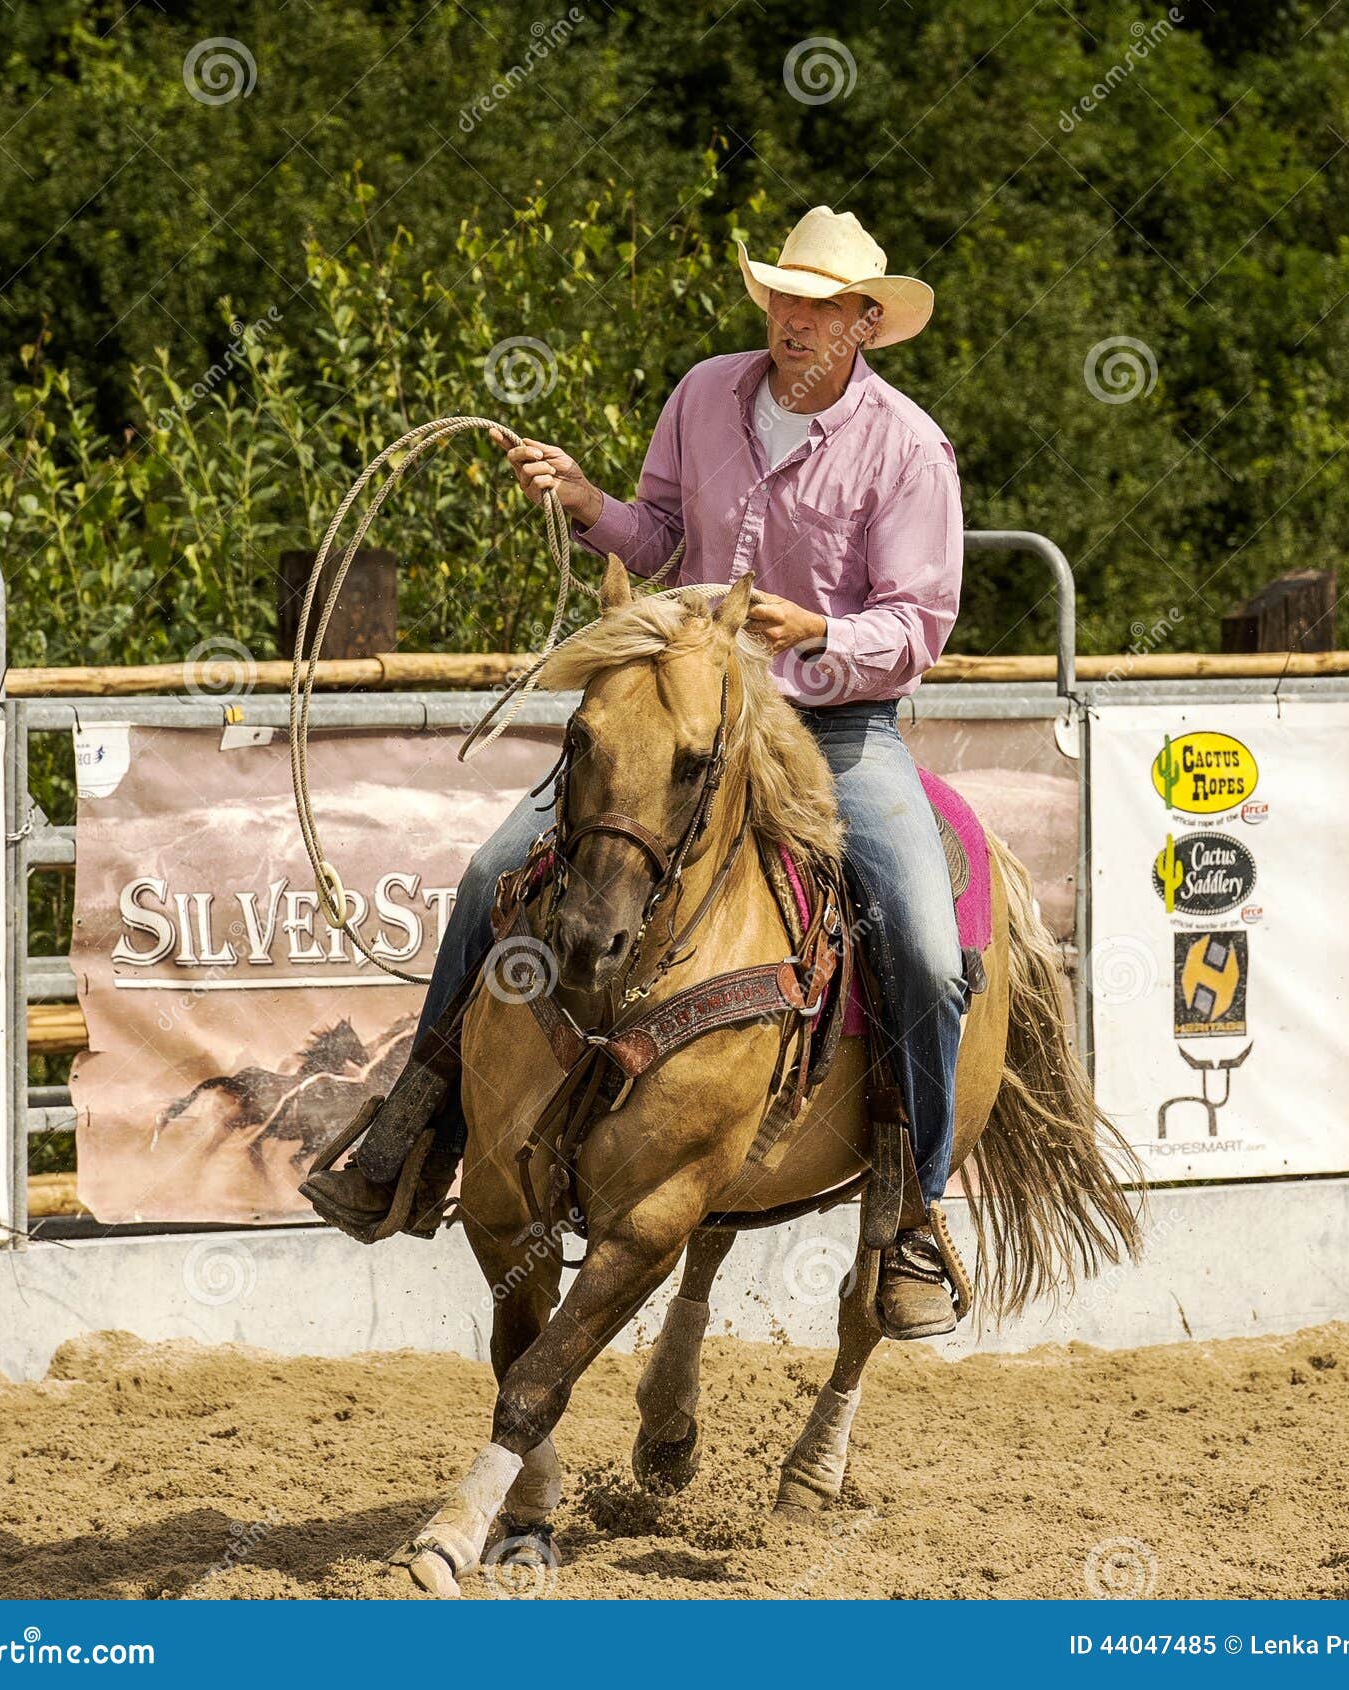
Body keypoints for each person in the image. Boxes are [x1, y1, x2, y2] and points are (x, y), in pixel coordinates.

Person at [310, 206, 969, 1337]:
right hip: (679, 710)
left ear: (866, 321)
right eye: (783, 297)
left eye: (820, 305)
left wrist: (814, 628)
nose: (794, 320)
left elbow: (919, 624)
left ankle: (912, 1205)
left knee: (920, 934)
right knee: (490, 872)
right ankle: (413, 1127)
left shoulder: (908, 446)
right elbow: (656, 533)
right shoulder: (703, 391)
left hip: (829, 725)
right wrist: (587, 507)